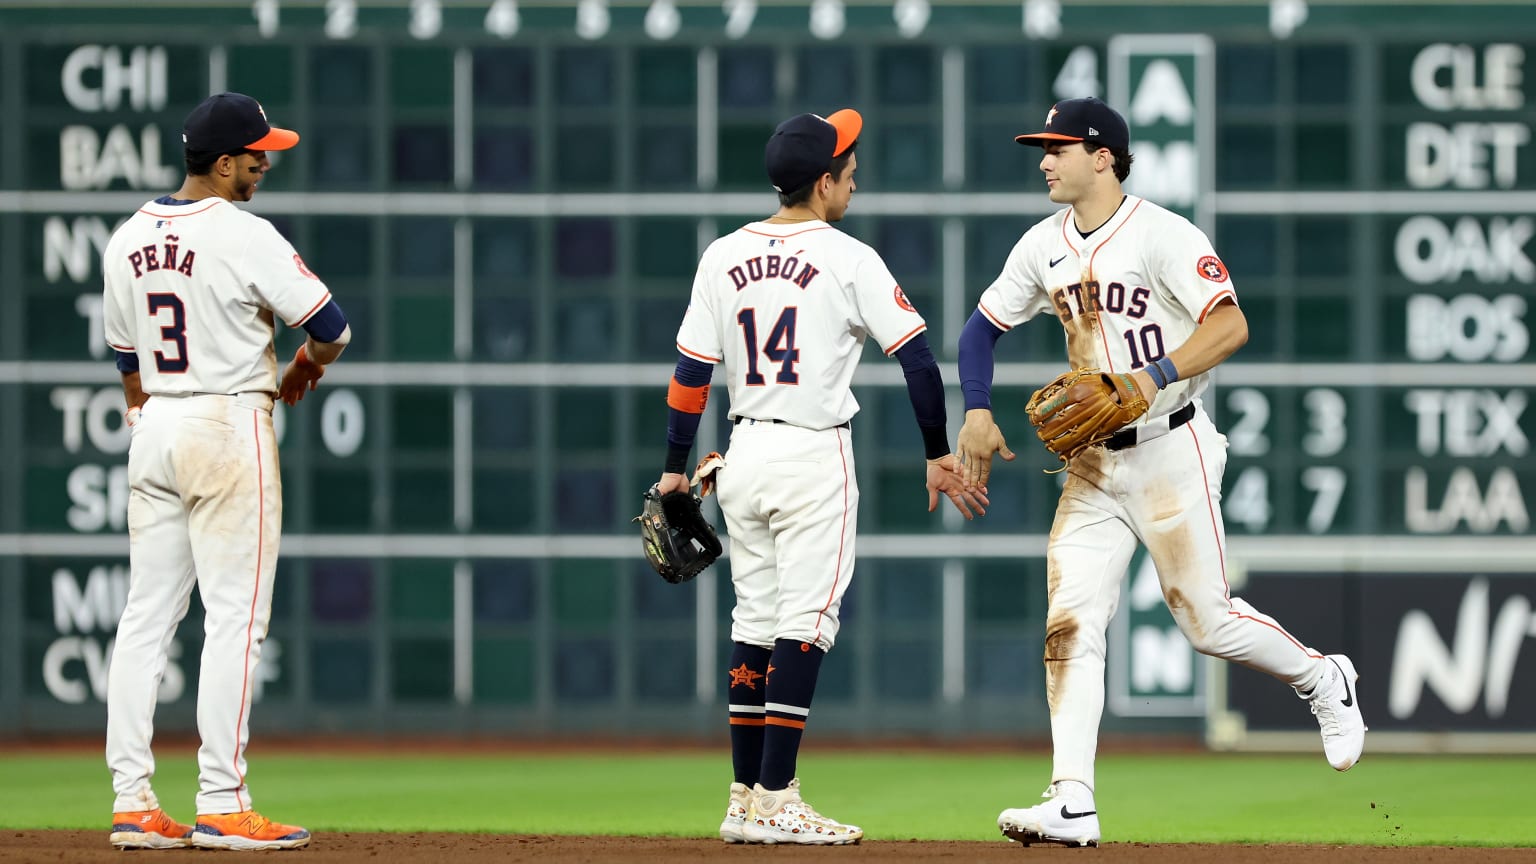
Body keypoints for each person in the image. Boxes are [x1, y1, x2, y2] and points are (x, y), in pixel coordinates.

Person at [955, 97, 1367, 848]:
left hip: (1170, 449)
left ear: (1102, 155)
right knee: (1070, 620)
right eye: (1040, 148)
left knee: (1207, 623)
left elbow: (1231, 323)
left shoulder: (1162, 234)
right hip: (1090, 465)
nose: (1044, 160)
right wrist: (976, 410)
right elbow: (979, 330)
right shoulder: (1040, 246)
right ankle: (1072, 798)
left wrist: (1152, 376)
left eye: (1057, 148)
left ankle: (1322, 678)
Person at [655, 108, 986, 846]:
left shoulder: (722, 255)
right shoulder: (849, 257)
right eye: (848, 166)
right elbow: (919, 360)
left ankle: (743, 800)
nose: (855, 173)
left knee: (754, 625)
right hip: (811, 456)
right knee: (806, 626)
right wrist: (937, 449)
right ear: (823, 182)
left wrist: (675, 471)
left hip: (741, 454)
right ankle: (778, 800)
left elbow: (688, 377)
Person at [102, 92, 351, 851]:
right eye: (255, 154)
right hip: (225, 421)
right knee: (237, 620)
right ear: (221, 163)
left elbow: (127, 362)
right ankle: (222, 800)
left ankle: (131, 802)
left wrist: (148, 419)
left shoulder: (125, 238)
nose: (264, 163)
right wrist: (306, 365)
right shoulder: (244, 235)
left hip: (156, 429)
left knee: (145, 617)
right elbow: (332, 329)